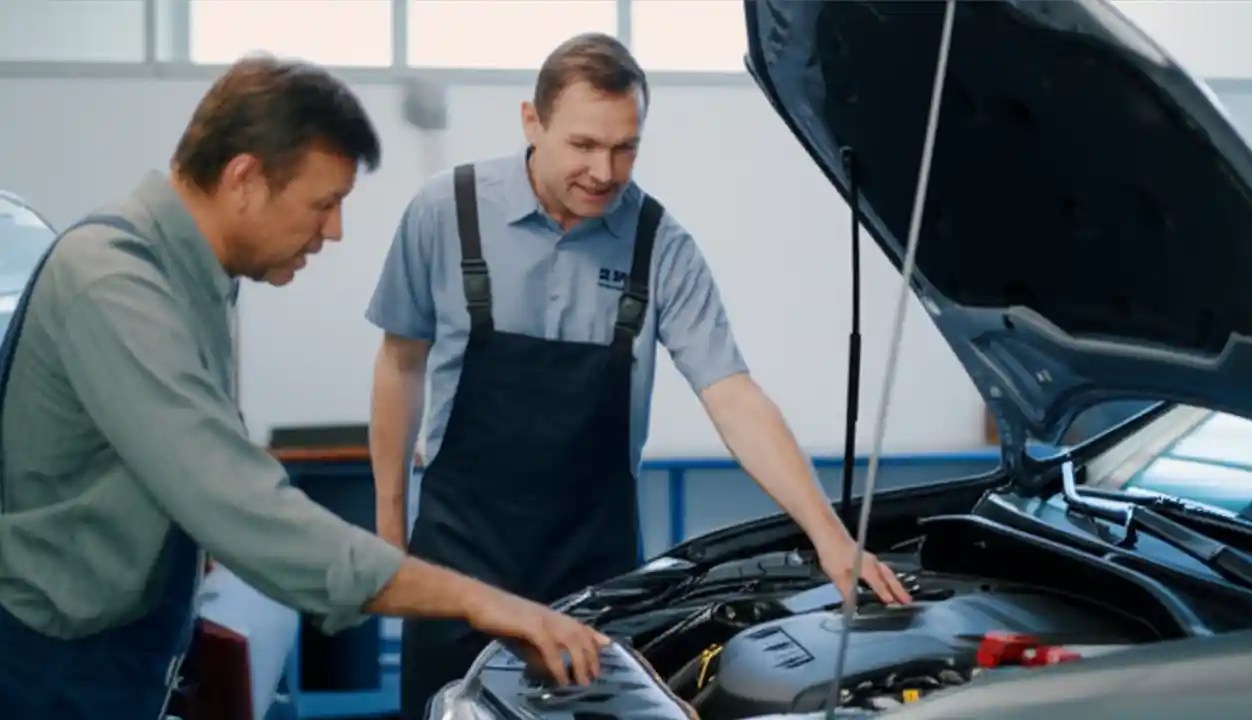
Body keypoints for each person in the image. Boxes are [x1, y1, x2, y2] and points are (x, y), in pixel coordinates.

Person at [0, 55, 607, 720]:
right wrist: (487, 603)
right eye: (324, 203)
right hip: (51, 668)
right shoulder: (115, 285)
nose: (334, 230)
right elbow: (240, 507)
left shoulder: (194, 278)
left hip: (120, 649)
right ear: (245, 178)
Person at [366, 32, 915, 719]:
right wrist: (391, 527)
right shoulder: (446, 213)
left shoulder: (661, 245)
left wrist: (831, 538)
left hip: (591, 574)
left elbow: (731, 392)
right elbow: (400, 363)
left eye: (626, 148)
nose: (605, 170)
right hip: (454, 563)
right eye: (585, 146)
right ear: (531, 122)